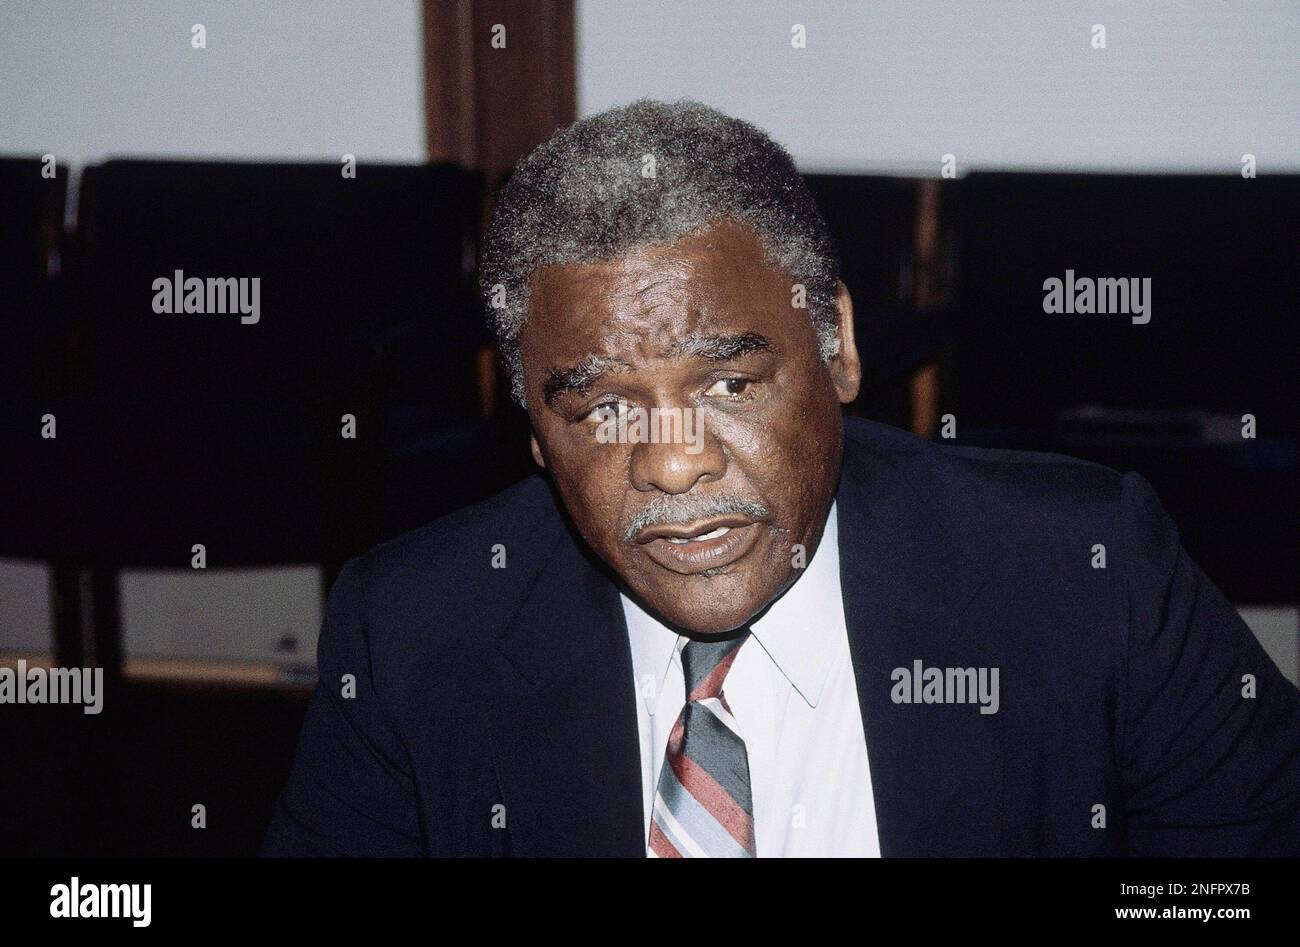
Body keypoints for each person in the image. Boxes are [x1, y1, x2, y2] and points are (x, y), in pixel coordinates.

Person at [263, 99, 1300, 857]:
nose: (673, 457)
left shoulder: (1083, 573)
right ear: (534, 427)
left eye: (726, 379)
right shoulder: (412, 634)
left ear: (837, 345)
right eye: (600, 406)